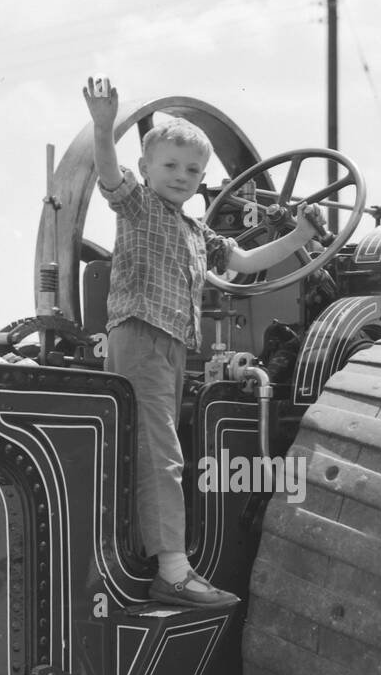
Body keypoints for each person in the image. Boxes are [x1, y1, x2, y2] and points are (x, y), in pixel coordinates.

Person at [82, 75, 324, 609]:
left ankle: (169, 558)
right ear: (145, 170)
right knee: (163, 455)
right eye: (170, 166)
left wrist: (302, 237)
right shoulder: (138, 207)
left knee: (166, 451)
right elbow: (105, 172)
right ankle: (171, 570)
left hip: (172, 348)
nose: (182, 177)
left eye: (193, 171)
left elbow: (244, 263)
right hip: (141, 335)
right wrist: (104, 126)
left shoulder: (197, 233)